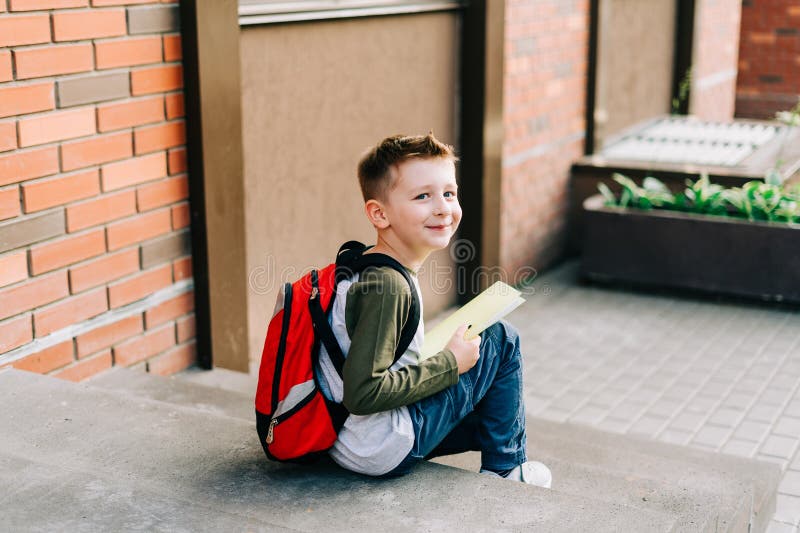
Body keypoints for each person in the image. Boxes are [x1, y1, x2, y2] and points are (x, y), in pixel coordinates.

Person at [314, 133, 551, 487]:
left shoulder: (364, 264)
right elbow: (362, 393)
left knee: (495, 406)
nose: (442, 207)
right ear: (379, 214)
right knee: (500, 340)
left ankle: (503, 455)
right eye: (423, 196)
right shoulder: (388, 287)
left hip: (344, 437)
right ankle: (506, 469)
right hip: (378, 446)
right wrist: (449, 364)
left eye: (449, 193)